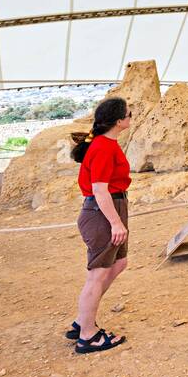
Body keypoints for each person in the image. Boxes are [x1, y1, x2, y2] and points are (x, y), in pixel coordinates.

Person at [67, 97, 132, 355]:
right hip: (103, 211)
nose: (131, 116)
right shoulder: (103, 147)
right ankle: (88, 335)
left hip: (111, 207)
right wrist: (115, 222)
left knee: (118, 263)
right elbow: (99, 190)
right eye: (129, 114)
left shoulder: (105, 143)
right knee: (98, 272)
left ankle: (84, 319)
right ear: (119, 121)